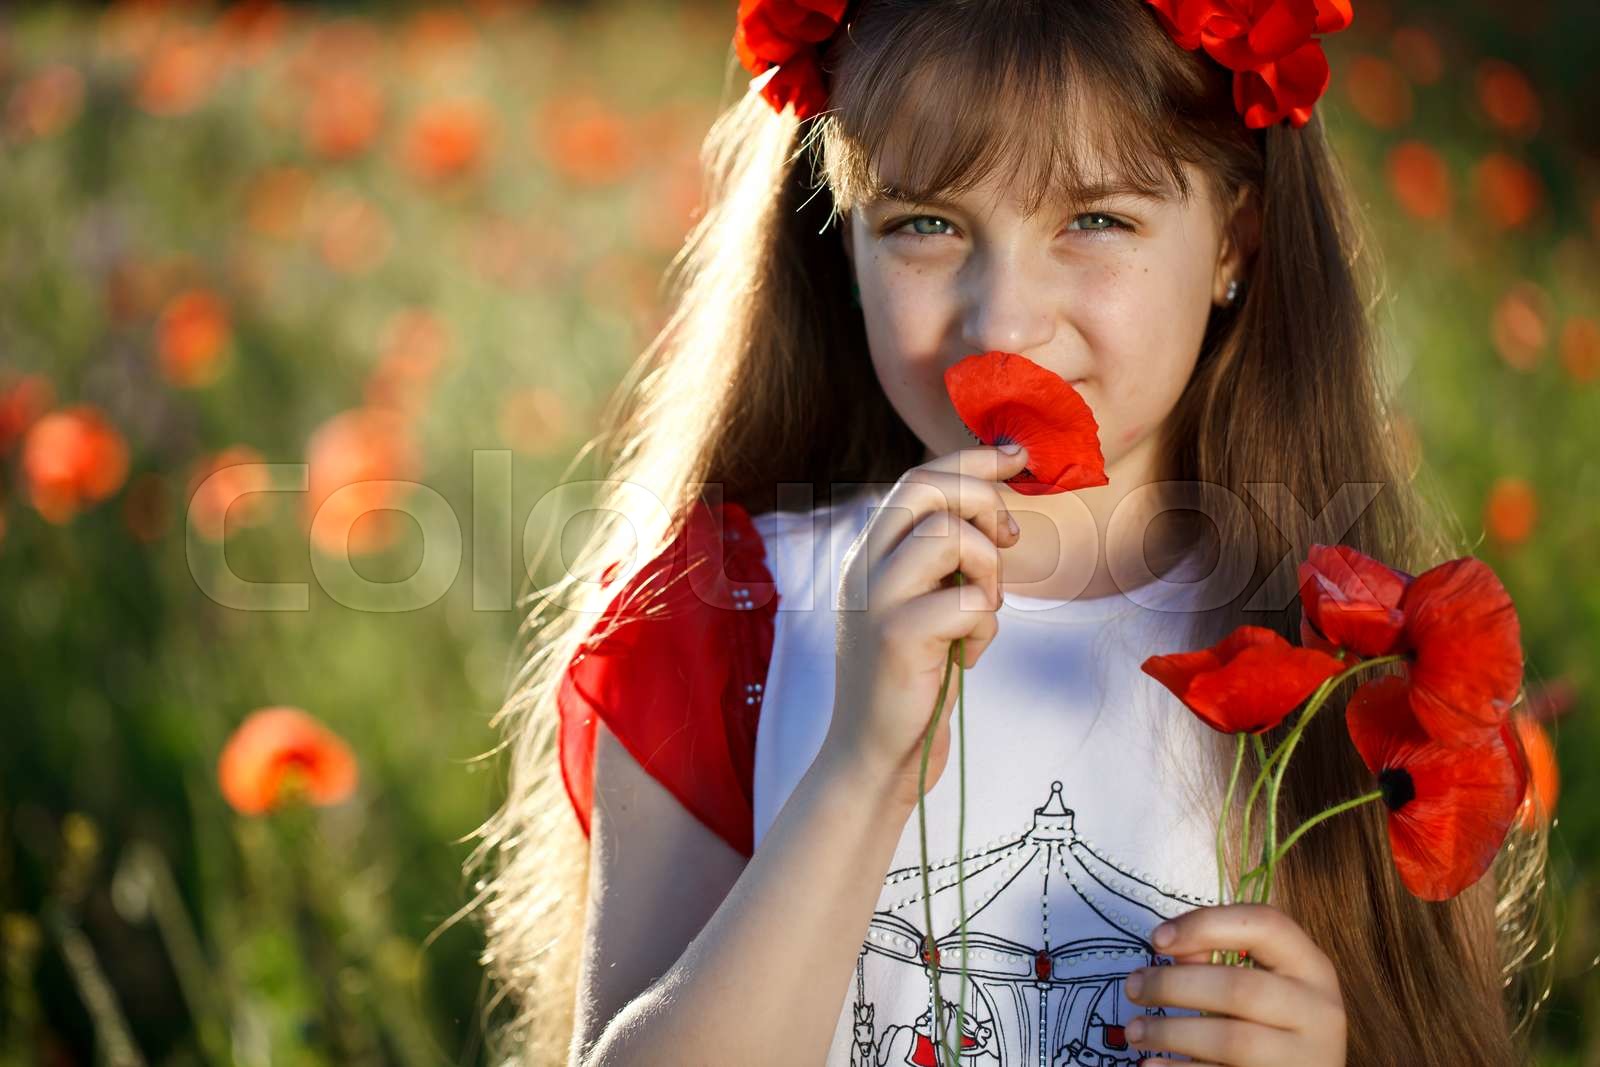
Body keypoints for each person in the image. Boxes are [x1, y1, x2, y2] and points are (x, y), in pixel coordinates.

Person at [464, 1, 1551, 1064]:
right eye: (924, 224)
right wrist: (862, 767)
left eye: (1095, 220)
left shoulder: (1370, 668)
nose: (1004, 322)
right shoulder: (719, 617)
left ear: (1235, 237)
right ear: (842, 244)